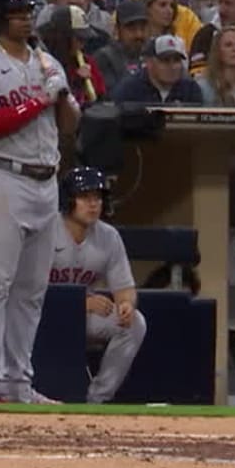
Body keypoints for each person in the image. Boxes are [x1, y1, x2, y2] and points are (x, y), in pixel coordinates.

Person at [0, 0, 79, 404]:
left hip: (45, 181)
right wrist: (36, 103)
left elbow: (69, 125)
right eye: (18, 11)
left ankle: (17, 382)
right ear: (0, 17)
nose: (26, 17)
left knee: (30, 290)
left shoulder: (46, 62)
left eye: (30, 10)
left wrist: (62, 97)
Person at [51, 167, 145, 404]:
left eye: (98, 198)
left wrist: (125, 304)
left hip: (82, 315)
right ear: (68, 200)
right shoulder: (45, 231)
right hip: (40, 315)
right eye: (85, 197)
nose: (93, 204)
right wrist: (79, 303)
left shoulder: (109, 236)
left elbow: (124, 287)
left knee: (134, 323)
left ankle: (96, 398)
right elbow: (29, 291)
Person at [112, 34, 205, 105]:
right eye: (165, 60)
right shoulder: (129, 90)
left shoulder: (191, 90)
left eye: (176, 60)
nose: (172, 66)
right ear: (149, 63)